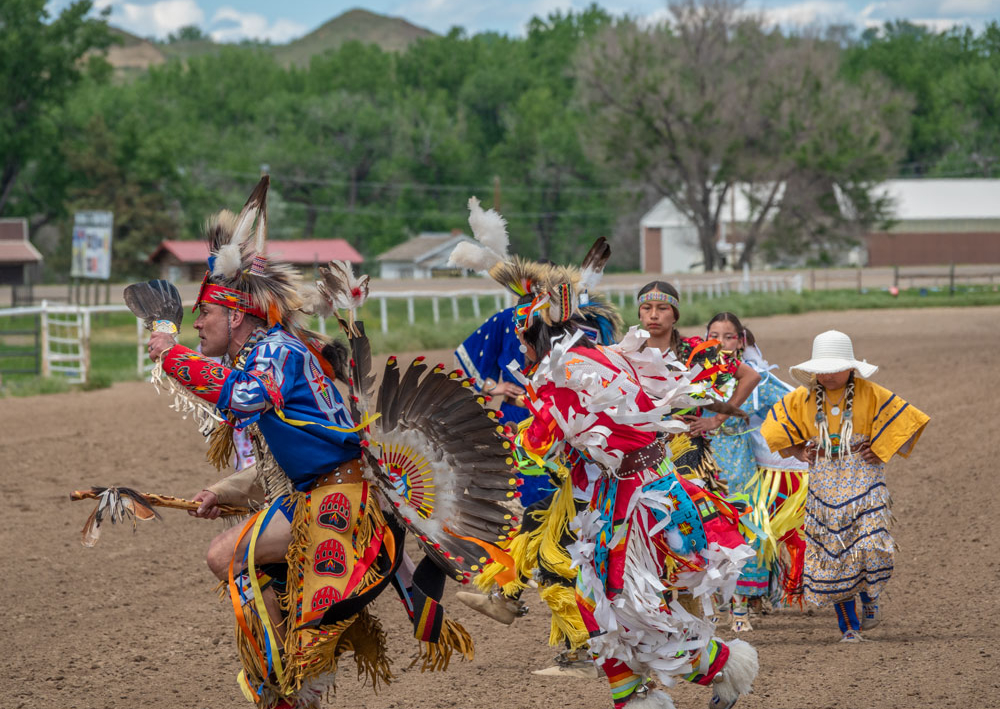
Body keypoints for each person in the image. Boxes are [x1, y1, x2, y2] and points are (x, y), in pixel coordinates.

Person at [146, 178, 477, 708]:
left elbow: (246, 397)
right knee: (263, 582)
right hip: (314, 494)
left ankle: (278, 685)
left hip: (337, 501)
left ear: (235, 314)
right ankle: (290, 686)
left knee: (227, 558)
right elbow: (284, 455)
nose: (197, 325)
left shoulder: (274, 350)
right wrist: (226, 493)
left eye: (203, 315)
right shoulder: (272, 349)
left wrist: (171, 355)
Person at [510, 276, 759, 709]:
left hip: (634, 505)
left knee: (622, 606)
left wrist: (516, 432)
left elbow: (537, 446)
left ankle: (718, 670)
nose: (523, 353)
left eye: (524, 343)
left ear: (537, 338)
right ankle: (646, 692)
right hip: (636, 492)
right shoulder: (606, 356)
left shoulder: (562, 377)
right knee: (601, 605)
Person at [760, 330, 929, 642]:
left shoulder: (871, 393)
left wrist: (880, 448)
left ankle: (870, 596)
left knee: (871, 542)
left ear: (851, 368)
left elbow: (906, 419)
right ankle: (848, 627)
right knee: (833, 552)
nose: (827, 375)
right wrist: (798, 450)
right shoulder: (804, 397)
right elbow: (774, 425)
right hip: (824, 479)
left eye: (834, 367)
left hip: (864, 475)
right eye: (821, 369)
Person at [702, 312, 809, 631]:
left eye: (728, 336)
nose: (720, 342)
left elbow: (794, 403)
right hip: (698, 462)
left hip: (739, 464)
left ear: (741, 341)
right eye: (714, 335)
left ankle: (740, 609)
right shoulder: (693, 373)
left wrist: (797, 441)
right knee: (701, 530)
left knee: (742, 530)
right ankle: (705, 606)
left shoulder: (756, 379)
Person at [635, 281, 760, 496]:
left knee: (691, 519)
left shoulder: (695, 351)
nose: (653, 315)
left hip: (687, 454)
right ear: (640, 314)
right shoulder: (627, 353)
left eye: (662, 308)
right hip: (641, 453)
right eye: (647, 308)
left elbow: (750, 376)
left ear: (674, 316)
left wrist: (716, 419)